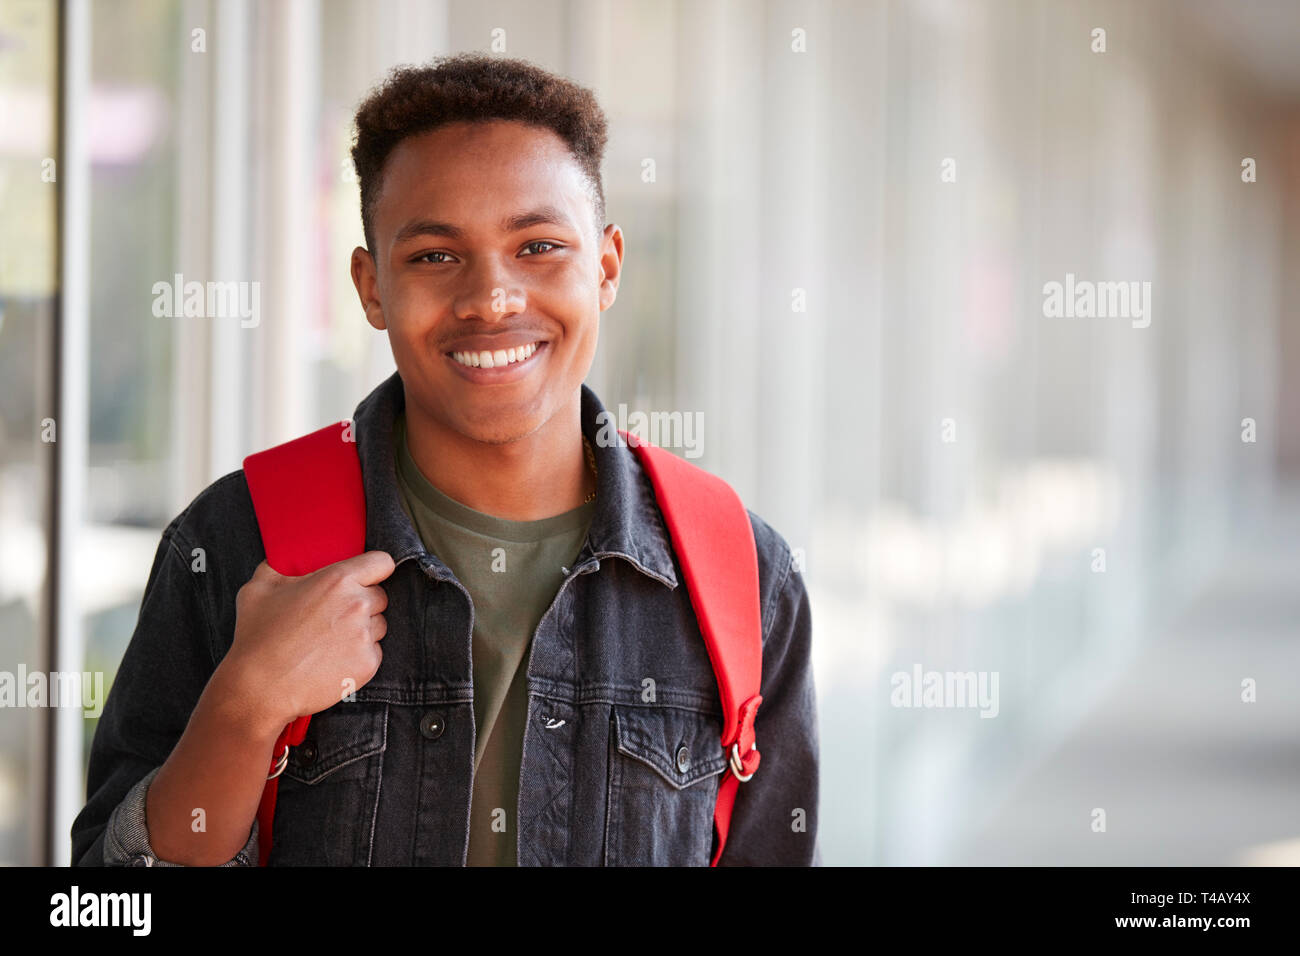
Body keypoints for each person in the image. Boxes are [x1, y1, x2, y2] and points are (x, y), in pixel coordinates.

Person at [71, 53, 820, 866]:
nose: (491, 299)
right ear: (371, 287)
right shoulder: (237, 543)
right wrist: (247, 704)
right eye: (434, 255)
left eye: (538, 246)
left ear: (605, 266)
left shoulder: (741, 577)